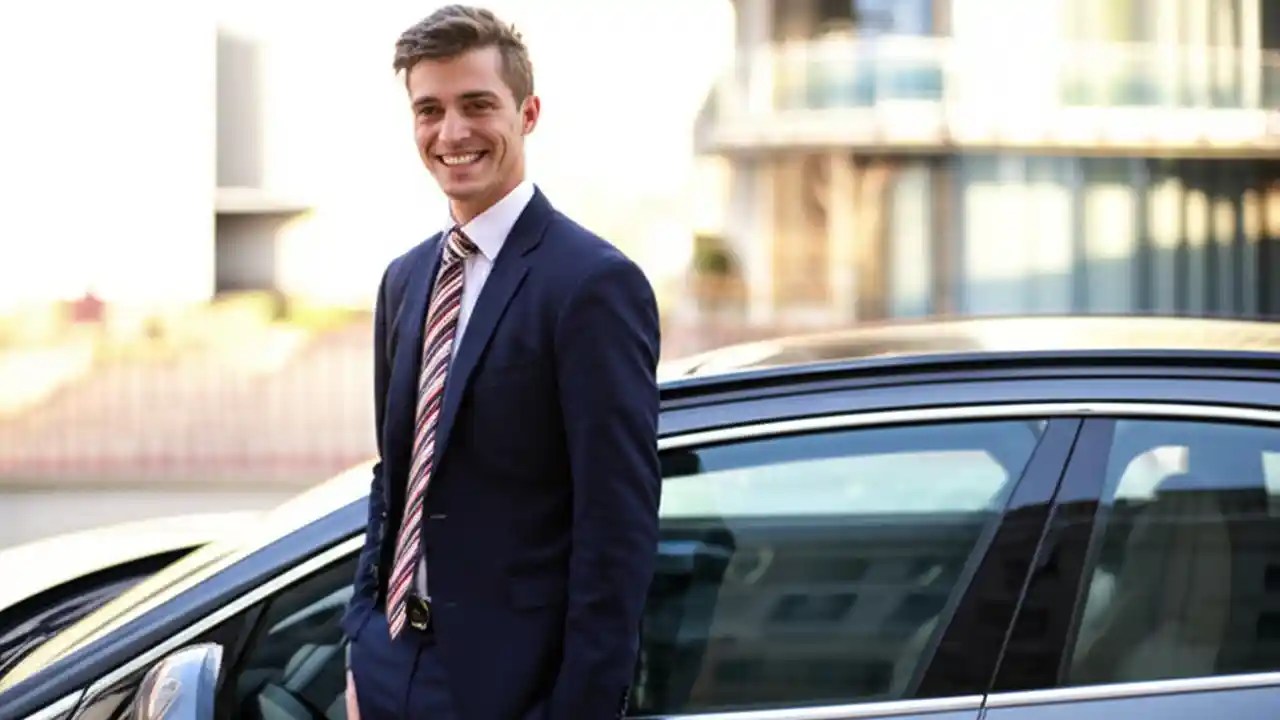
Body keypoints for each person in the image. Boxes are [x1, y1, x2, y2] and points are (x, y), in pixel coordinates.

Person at [339, 5, 662, 719]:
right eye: (430, 110)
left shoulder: (591, 285)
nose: (451, 133)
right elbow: (396, 479)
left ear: (528, 112)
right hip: (393, 668)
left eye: (476, 105)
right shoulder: (405, 280)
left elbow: (618, 529)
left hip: (513, 691)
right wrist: (363, 642)